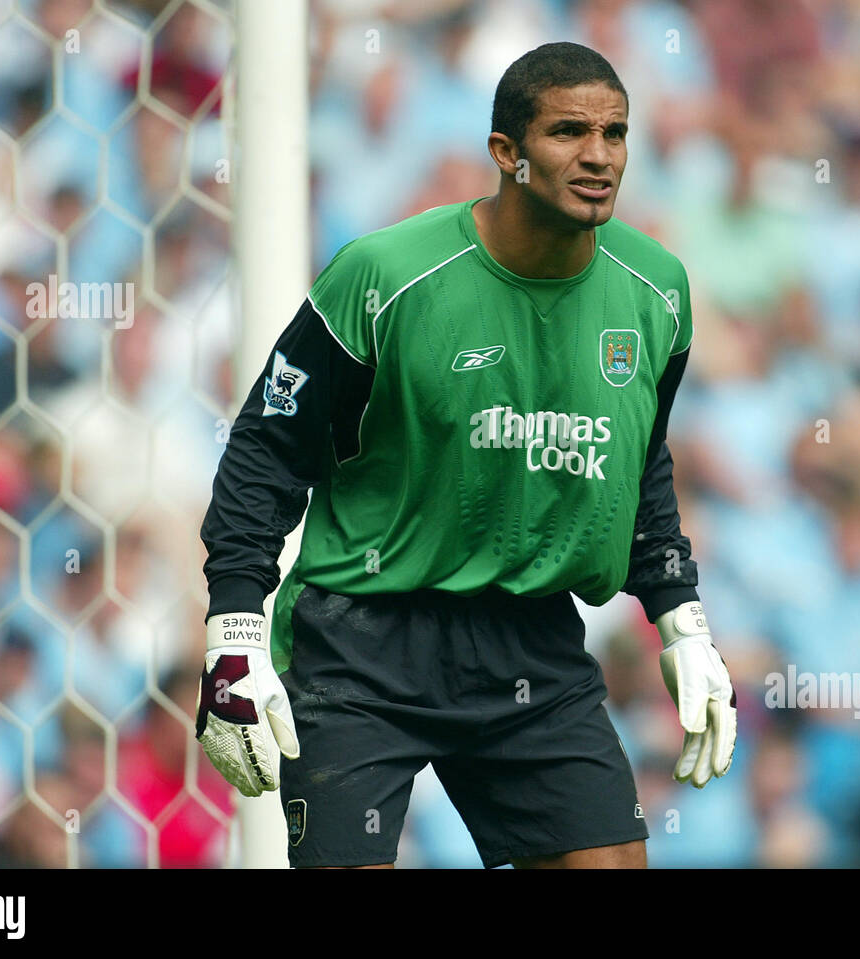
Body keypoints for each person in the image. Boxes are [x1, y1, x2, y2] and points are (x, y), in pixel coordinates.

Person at [196, 41, 737, 870]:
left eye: (616, 133)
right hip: (361, 638)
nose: (598, 155)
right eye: (567, 132)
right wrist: (234, 628)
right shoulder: (384, 276)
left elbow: (637, 462)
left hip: (531, 639)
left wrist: (681, 617)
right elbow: (266, 452)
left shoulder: (658, 290)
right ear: (506, 154)